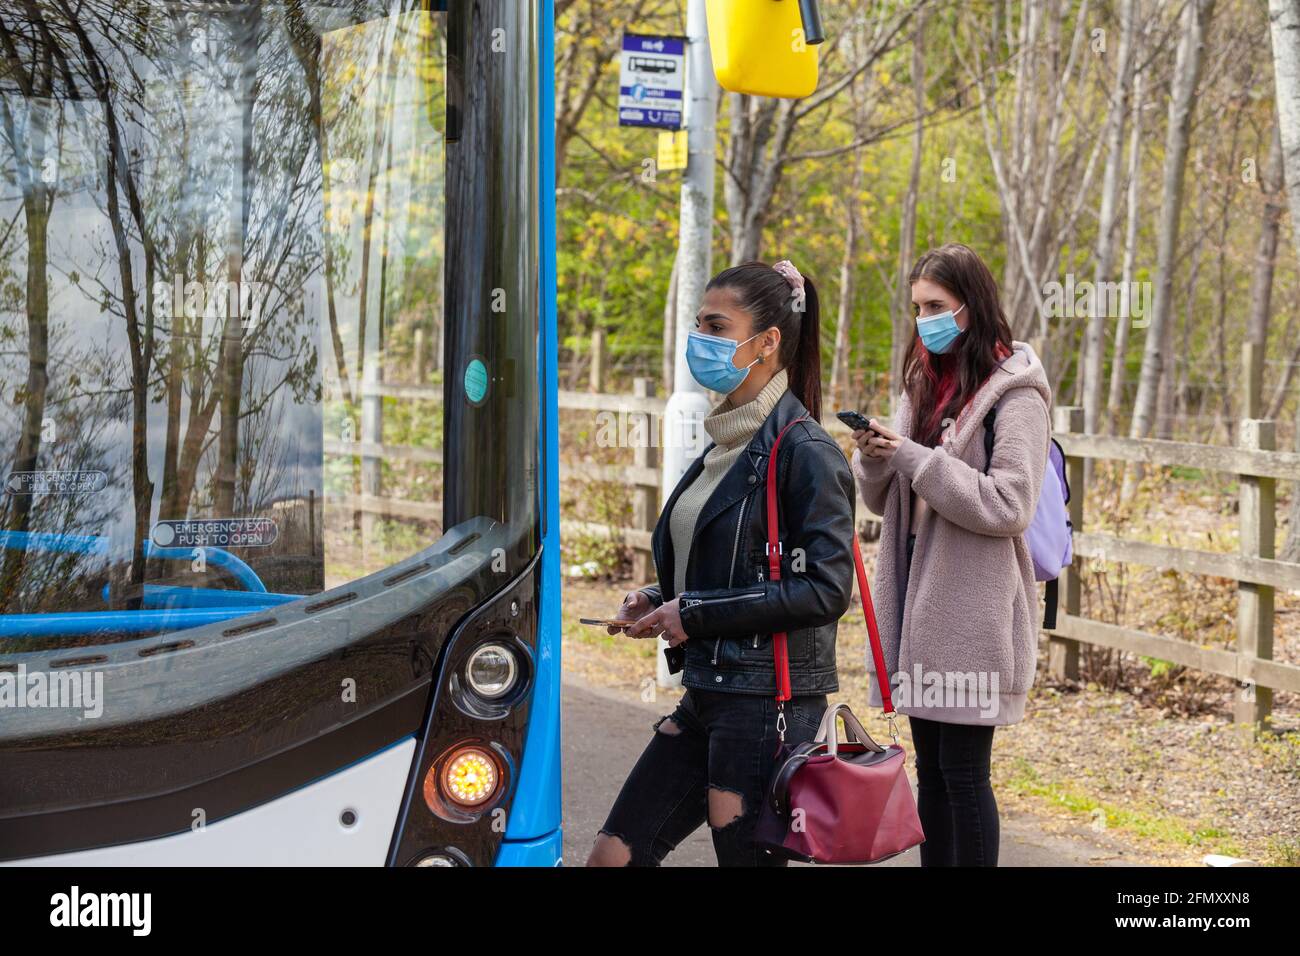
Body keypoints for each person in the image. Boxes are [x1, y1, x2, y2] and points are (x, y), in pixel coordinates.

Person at [586, 259, 855, 867]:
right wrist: (660, 599)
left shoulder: (806, 451)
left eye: (715, 325)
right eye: (698, 325)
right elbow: (735, 562)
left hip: (766, 702)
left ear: (766, 343)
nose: (698, 341)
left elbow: (825, 590)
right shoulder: (725, 441)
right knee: (612, 856)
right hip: (707, 688)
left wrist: (696, 611)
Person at [849, 241, 1052, 867]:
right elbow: (891, 504)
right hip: (918, 609)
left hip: (973, 613)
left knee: (964, 777)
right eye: (916, 308)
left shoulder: (1017, 396)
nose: (924, 321)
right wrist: (874, 456)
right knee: (930, 776)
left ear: (972, 306)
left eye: (935, 306)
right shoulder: (923, 385)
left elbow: (1008, 505)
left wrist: (911, 457)